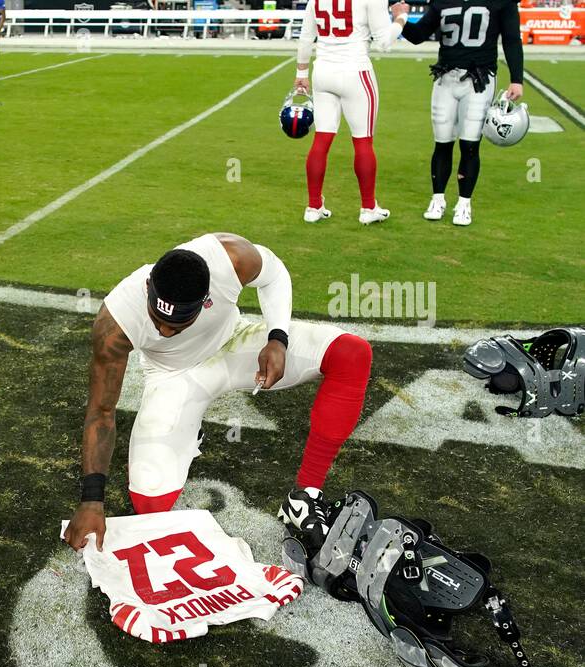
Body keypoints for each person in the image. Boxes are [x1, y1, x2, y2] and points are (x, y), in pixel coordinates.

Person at [62, 232, 373, 555]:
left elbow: (275, 274)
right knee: (149, 502)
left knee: (352, 354)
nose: (165, 331)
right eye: (158, 320)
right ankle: (186, 423)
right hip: (173, 375)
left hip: (234, 344)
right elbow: (101, 411)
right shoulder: (116, 321)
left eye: (178, 324)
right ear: (148, 288)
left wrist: (277, 338)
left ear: (206, 299)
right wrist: (92, 500)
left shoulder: (232, 258)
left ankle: (305, 496)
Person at [400, 0, 524, 226]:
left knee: (469, 144)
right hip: (445, 77)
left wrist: (516, 79)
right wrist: (401, 20)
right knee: (442, 142)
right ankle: (438, 199)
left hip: (479, 79)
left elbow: (511, 39)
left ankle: (464, 203)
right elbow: (419, 35)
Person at [294, 0, 407, 225]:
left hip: (323, 71)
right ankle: (368, 207)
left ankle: (313, 206)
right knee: (363, 141)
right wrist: (401, 18)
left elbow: (306, 37)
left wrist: (301, 71)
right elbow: (384, 41)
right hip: (355, 71)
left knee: (322, 139)